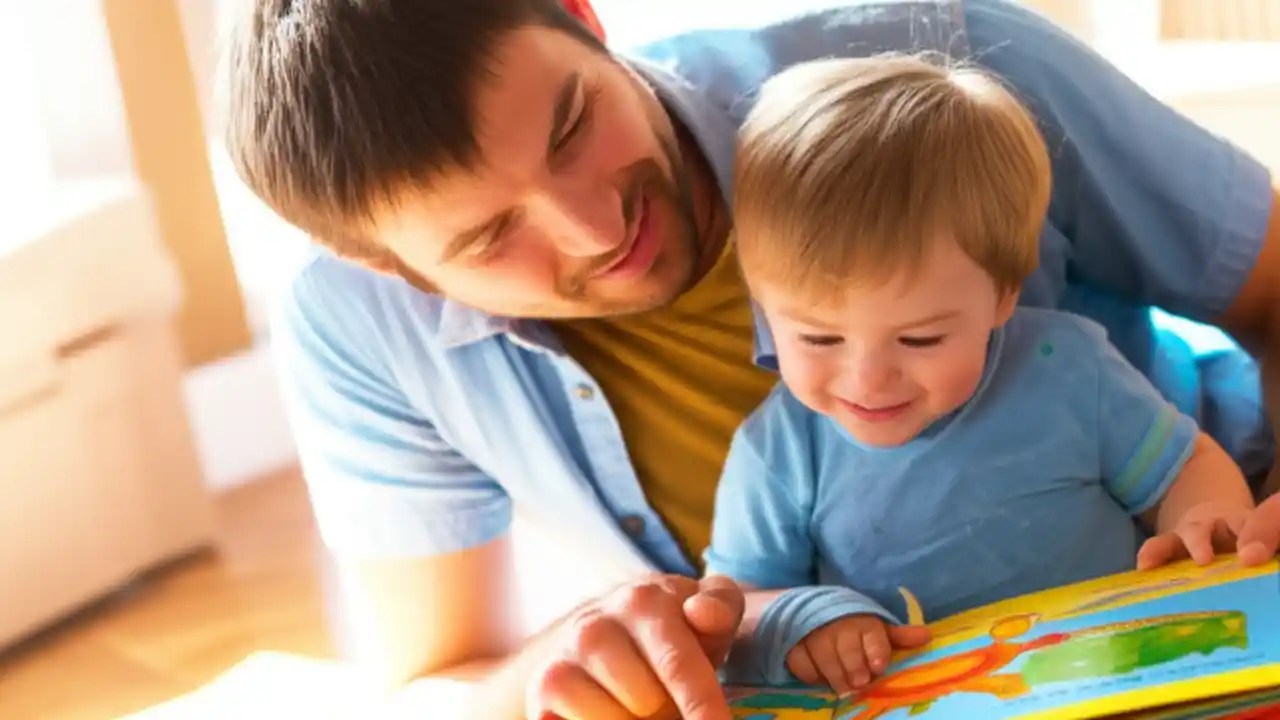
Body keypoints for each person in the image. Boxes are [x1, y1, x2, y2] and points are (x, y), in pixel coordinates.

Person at [222, 1, 1280, 718]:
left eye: (571, 127)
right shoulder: (355, 328)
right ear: (386, 268)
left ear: (585, 17)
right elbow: (439, 675)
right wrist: (552, 672)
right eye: (490, 236)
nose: (595, 227)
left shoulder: (944, 64)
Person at [706, 55, 1257, 695]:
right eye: (817, 337)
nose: (869, 378)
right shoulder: (777, 453)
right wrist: (805, 619)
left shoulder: (1068, 370)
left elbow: (1182, 469)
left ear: (1002, 296)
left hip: (1128, 683)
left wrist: (1206, 521)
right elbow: (734, 608)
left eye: (921, 337)